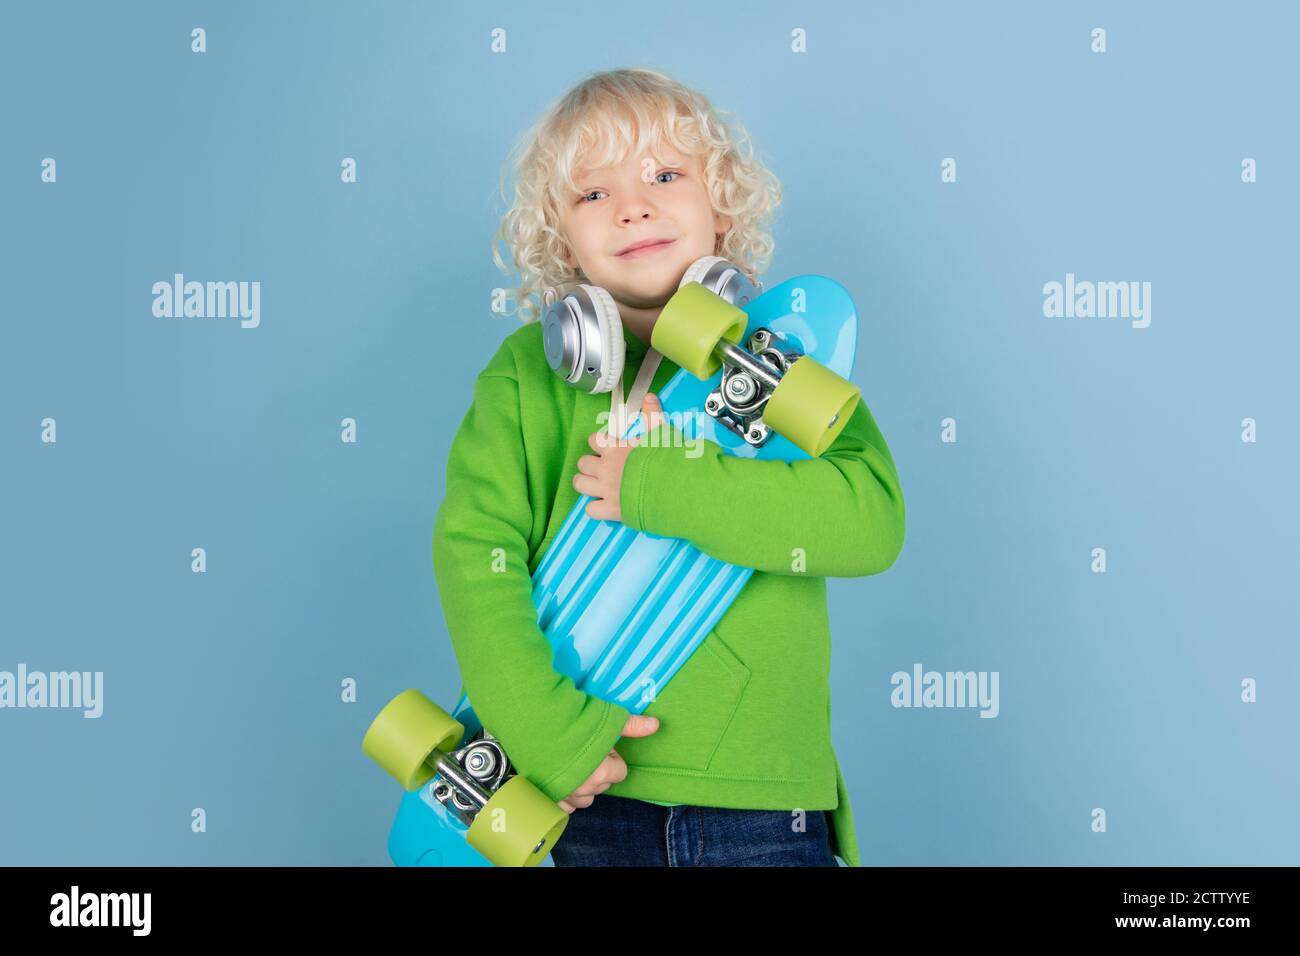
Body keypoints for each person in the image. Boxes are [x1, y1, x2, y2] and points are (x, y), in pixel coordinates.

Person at [432, 67, 906, 866]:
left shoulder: (784, 364)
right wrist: (549, 736)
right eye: (593, 194)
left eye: (665, 175)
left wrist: (660, 485)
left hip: (763, 805)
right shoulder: (523, 379)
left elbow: (869, 521)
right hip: (598, 800)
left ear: (721, 203)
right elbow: (475, 559)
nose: (633, 206)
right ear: (559, 237)